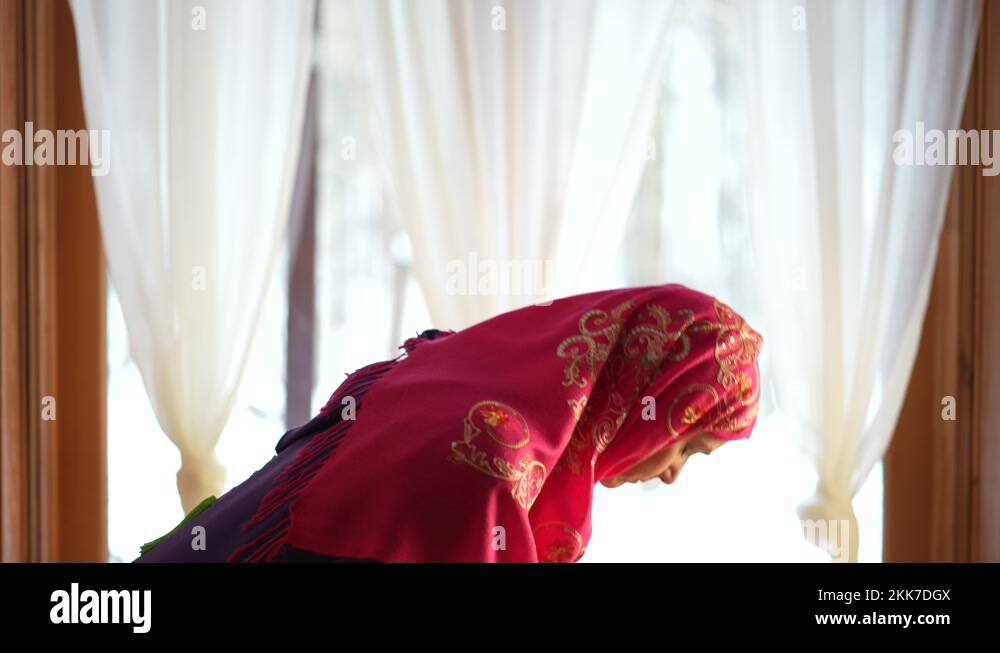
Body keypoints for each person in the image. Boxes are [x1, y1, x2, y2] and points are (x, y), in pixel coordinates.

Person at [136, 284, 763, 563]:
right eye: (690, 446)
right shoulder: (493, 459)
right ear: (648, 398)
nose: (675, 474)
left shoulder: (464, 374)